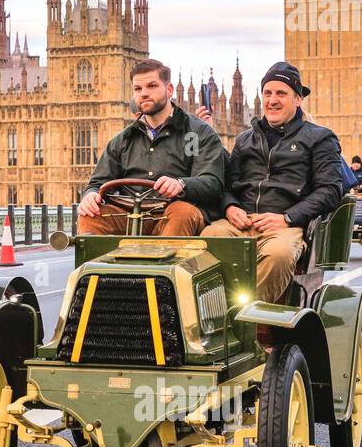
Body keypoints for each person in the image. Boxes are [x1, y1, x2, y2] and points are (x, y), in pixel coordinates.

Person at [202, 62, 342, 303]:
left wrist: (287, 217)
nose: (273, 100)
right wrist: (230, 207)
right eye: (268, 93)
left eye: (281, 93)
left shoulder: (319, 138)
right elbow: (227, 183)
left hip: (285, 226)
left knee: (278, 254)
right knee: (203, 243)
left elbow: (330, 190)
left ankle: (247, 322)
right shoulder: (246, 139)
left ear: (298, 99)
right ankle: (208, 315)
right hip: (241, 223)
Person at [77, 59, 224, 236]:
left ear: (169, 90)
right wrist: (91, 194)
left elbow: (212, 182)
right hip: (131, 214)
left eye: (152, 86)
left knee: (181, 212)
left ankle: (165, 263)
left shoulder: (199, 133)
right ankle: (98, 264)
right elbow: (98, 182)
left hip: (175, 212)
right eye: (138, 89)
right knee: (90, 216)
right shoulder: (122, 140)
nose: (144, 93)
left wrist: (181, 184)